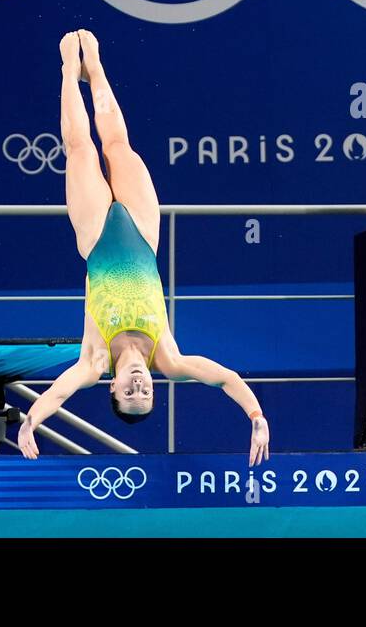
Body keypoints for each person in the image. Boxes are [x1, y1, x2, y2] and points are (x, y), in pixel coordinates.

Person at [17, 30, 271, 465]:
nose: (139, 386)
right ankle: (94, 67)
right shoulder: (167, 357)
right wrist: (256, 415)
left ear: (112, 389)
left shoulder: (94, 360)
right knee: (118, 145)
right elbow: (225, 377)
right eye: (146, 393)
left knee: (80, 149)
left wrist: (30, 422)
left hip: (96, 235)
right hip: (142, 231)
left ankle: (66, 70)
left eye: (130, 393)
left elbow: (59, 391)